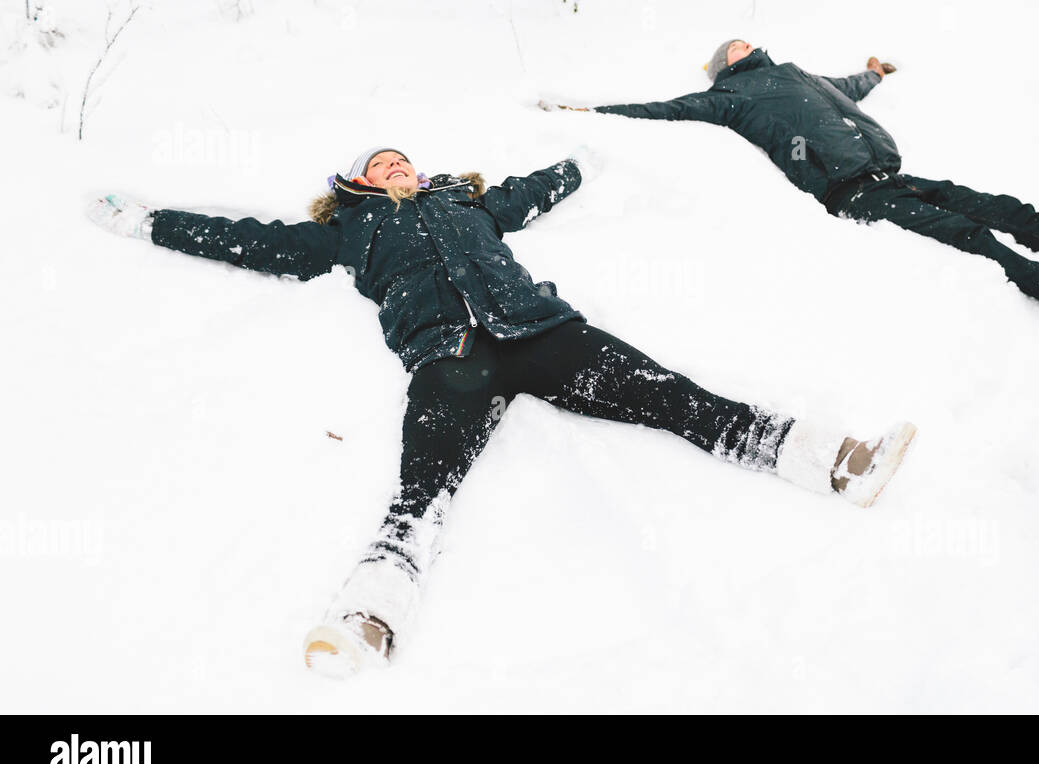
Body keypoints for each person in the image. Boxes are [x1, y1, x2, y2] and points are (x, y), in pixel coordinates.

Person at [88, 146, 917, 676]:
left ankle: (831, 460)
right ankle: (372, 610)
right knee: (427, 478)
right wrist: (147, 221)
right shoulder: (348, 233)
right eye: (381, 167)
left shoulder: (466, 204)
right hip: (448, 354)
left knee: (669, 395)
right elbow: (249, 241)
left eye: (404, 163)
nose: (397, 169)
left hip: (541, 330)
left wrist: (580, 162)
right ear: (358, 184)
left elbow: (532, 191)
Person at [544, 39, 1039, 309]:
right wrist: (587, 108)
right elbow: (664, 110)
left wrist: (876, 73)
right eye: (732, 46)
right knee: (967, 234)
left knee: (1004, 207)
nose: (741, 42)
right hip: (850, 194)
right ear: (724, 66)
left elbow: (849, 85)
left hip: (887, 174)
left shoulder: (798, 74)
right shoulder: (729, 98)